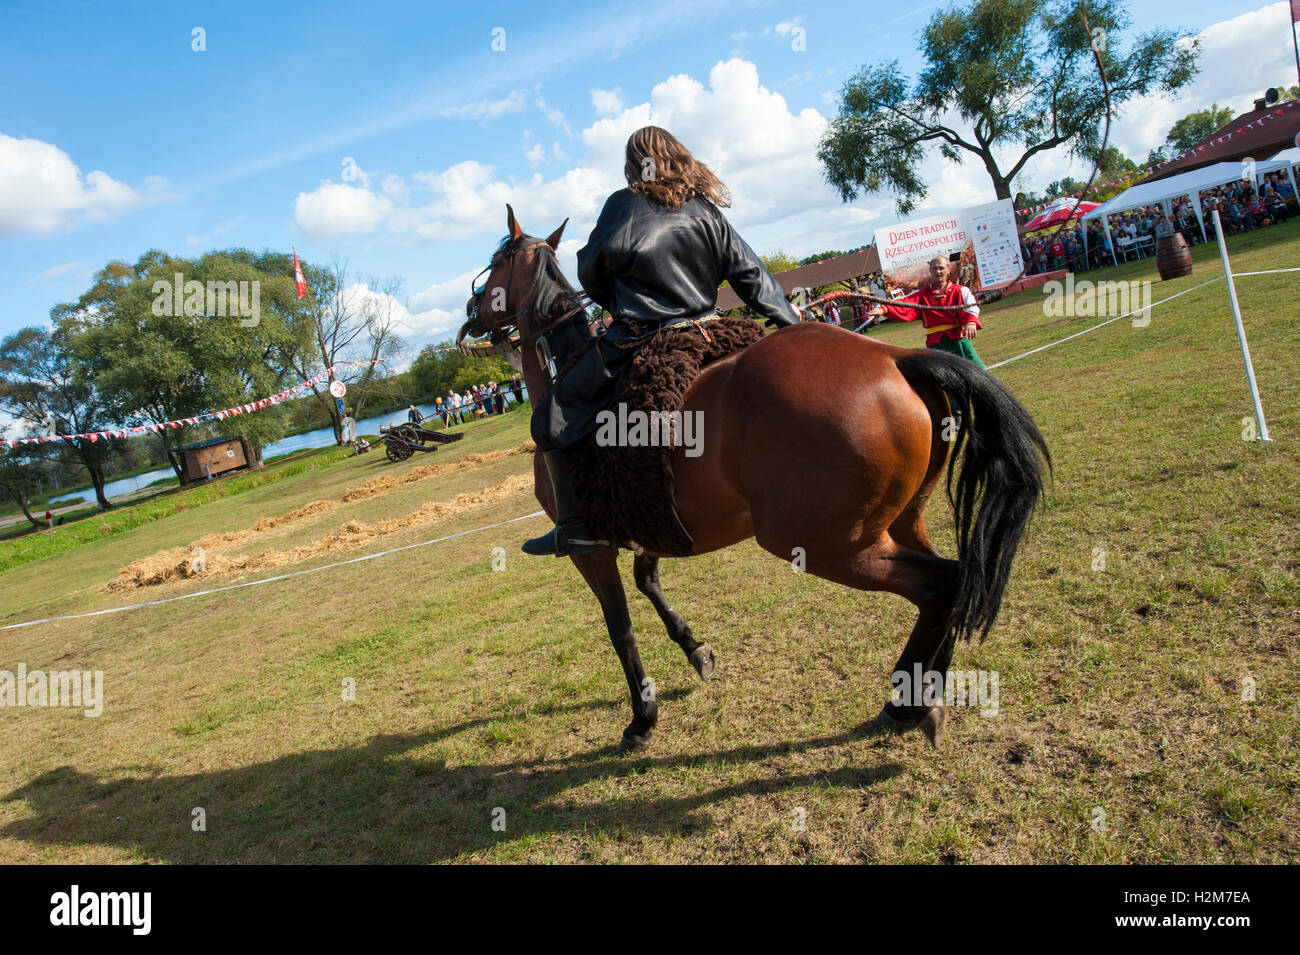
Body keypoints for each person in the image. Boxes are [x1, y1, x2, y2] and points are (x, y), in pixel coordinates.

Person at [522, 125, 798, 557]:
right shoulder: (704, 208)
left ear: (635, 164)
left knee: (551, 417)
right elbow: (752, 275)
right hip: (714, 330)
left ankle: (576, 528)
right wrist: (793, 327)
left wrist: (616, 300)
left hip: (646, 341)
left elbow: (591, 268)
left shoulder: (623, 204)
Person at [867, 255, 985, 368]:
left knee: (977, 373)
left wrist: (971, 322)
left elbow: (971, 307)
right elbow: (904, 303)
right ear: (930, 271)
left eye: (941, 268)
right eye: (934, 268)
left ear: (948, 270)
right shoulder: (922, 295)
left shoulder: (960, 291)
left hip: (958, 340)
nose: (938, 271)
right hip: (935, 344)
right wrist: (883, 309)